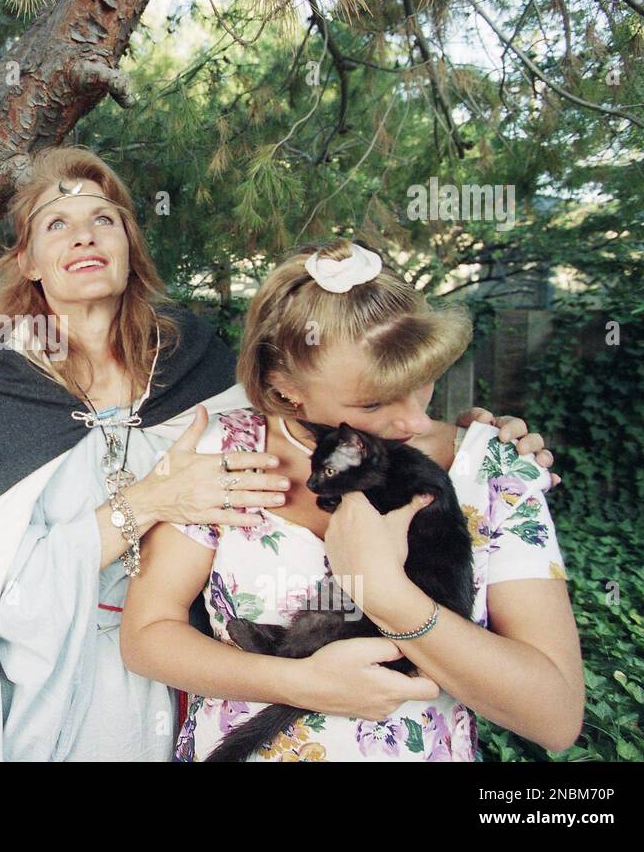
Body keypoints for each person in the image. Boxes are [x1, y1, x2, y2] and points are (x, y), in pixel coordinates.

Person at [0, 147, 560, 761]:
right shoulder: (3, 390)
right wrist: (148, 503)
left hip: (192, 671)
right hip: (62, 674)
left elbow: (339, 395)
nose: (85, 234)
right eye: (56, 224)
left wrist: (475, 436)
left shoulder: (194, 360)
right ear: (27, 261)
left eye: (105, 219)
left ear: (131, 244)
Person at [120, 239, 583, 761]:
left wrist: (388, 594)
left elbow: (556, 718)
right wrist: (300, 683)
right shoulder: (225, 452)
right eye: (373, 402)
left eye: (422, 382)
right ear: (285, 385)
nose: (412, 421)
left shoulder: (494, 468)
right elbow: (147, 636)